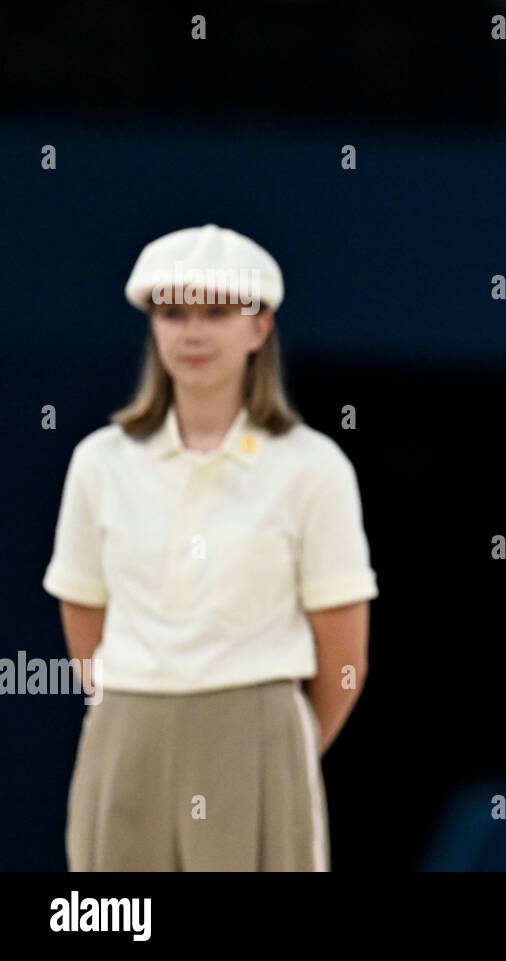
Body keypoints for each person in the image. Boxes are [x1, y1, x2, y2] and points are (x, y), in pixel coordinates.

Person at [42, 224, 378, 871]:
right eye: (173, 312)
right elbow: (83, 616)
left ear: (258, 328)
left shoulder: (313, 466)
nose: (192, 332)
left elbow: (344, 652)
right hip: (127, 729)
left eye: (217, 311)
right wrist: (135, 698)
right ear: (154, 326)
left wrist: (280, 744)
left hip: (256, 732)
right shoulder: (98, 462)